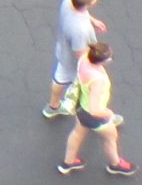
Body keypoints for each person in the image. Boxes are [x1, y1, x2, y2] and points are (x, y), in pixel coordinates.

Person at [58, 40, 135, 176]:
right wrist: (109, 114)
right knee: (110, 138)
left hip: (81, 107)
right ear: (102, 61)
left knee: (77, 133)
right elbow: (95, 110)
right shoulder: (98, 80)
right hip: (94, 116)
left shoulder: (84, 59)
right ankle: (115, 165)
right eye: (109, 57)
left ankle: (68, 162)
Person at [45, 0, 106, 118]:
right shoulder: (80, 30)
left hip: (63, 52)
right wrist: (95, 65)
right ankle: (97, 115)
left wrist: (93, 20)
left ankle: (53, 106)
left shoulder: (68, 0)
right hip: (74, 63)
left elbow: (82, 11)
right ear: (90, 3)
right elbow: (80, 53)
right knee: (94, 88)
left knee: (59, 79)